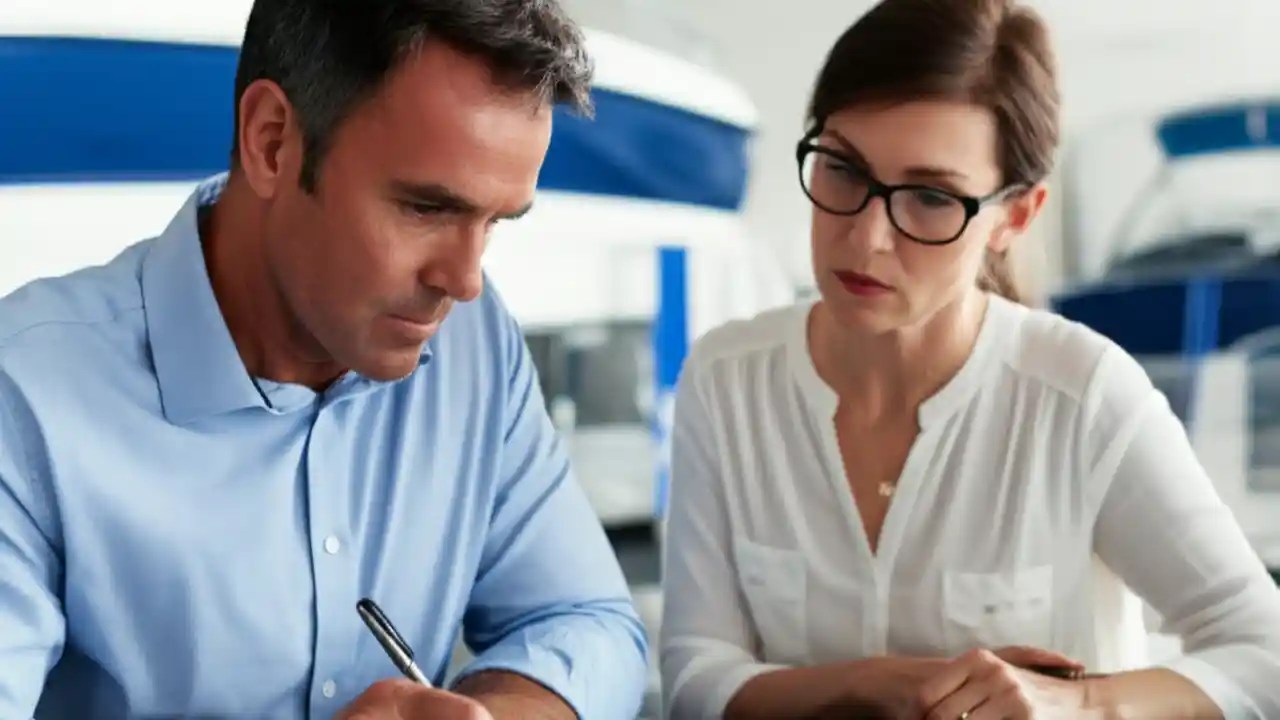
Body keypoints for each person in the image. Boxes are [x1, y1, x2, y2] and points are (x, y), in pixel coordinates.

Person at [0, 1, 648, 719]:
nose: (464, 281)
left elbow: (588, 623)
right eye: (426, 208)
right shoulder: (23, 400)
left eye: (493, 223)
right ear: (272, 141)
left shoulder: (476, 340)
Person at [659, 0, 1280, 718]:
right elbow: (695, 678)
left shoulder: (1083, 395)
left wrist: (1072, 707)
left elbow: (1264, 652)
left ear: (1014, 217)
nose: (865, 240)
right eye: (842, 170)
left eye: (930, 198)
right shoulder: (726, 380)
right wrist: (879, 682)